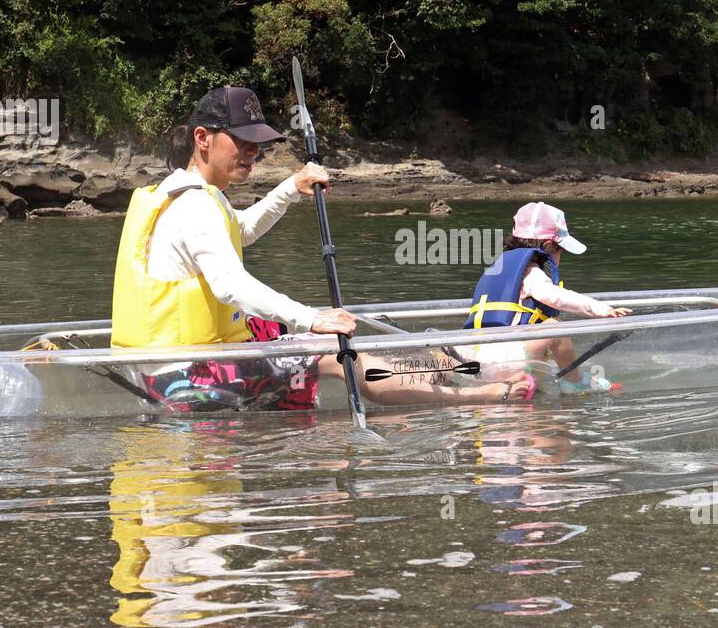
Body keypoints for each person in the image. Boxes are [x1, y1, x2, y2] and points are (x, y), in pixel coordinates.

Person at [111, 84, 533, 410]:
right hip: (186, 377)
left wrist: (291, 188)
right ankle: (477, 398)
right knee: (335, 349)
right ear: (202, 138)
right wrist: (312, 319)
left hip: (181, 362)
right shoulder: (195, 205)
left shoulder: (188, 194)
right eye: (241, 140)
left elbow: (239, 233)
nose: (253, 151)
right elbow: (228, 284)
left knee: (297, 332)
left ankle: (431, 373)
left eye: (257, 142)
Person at [462, 201, 631, 393]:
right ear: (549, 245)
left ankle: (533, 391)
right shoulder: (532, 274)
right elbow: (555, 296)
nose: (560, 257)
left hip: (481, 362)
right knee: (554, 326)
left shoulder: (497, 271)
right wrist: (601, 309)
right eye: (561, 250)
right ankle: (574, 381)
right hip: (510, 361)